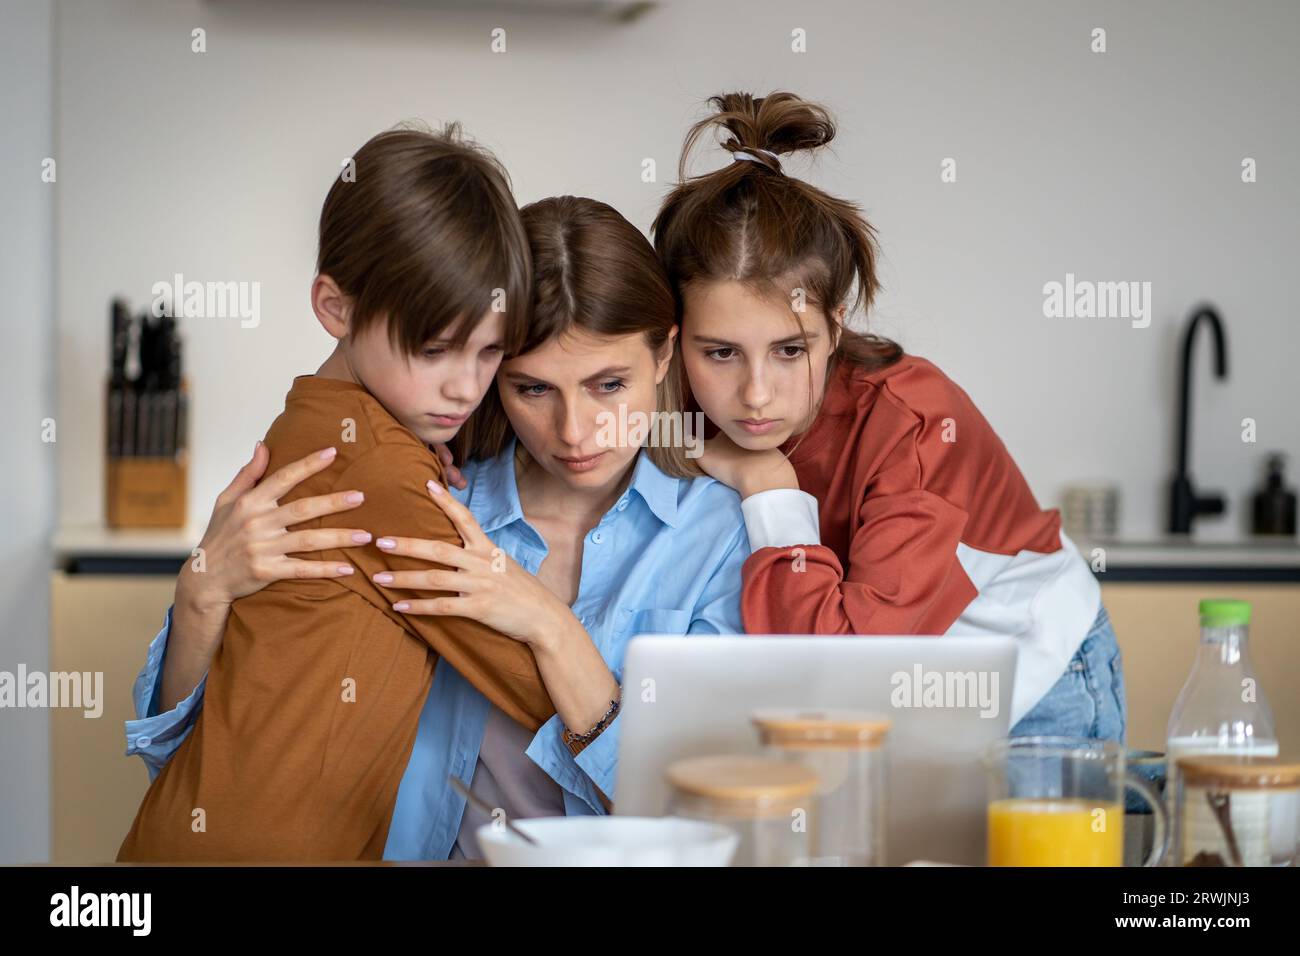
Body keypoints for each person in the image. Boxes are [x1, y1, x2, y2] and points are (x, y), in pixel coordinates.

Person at [123, 196, 749, 861]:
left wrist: (551, 626)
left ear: (663, 356)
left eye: (609, 384)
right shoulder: (431, 497)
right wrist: (199, 594)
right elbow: (178, 750)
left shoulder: (715, 536)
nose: (573, 431)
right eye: (531, 388)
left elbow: (698, 814)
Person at [118, 124, 556, 862]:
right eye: (434, 348)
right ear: (336, 307)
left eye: (490, 352)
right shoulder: (375, 470)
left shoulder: (316, 423)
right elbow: (538, 691)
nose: (465, 386)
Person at [652, 91, 1124, 741]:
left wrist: (767, 486)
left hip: (1034, 684)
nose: (756, 393)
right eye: (721, 353)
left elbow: (845, 668)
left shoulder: (916, 427)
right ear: (678, 342)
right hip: (885, 678)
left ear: (835, 326)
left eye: (791, 350)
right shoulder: (673, 399)